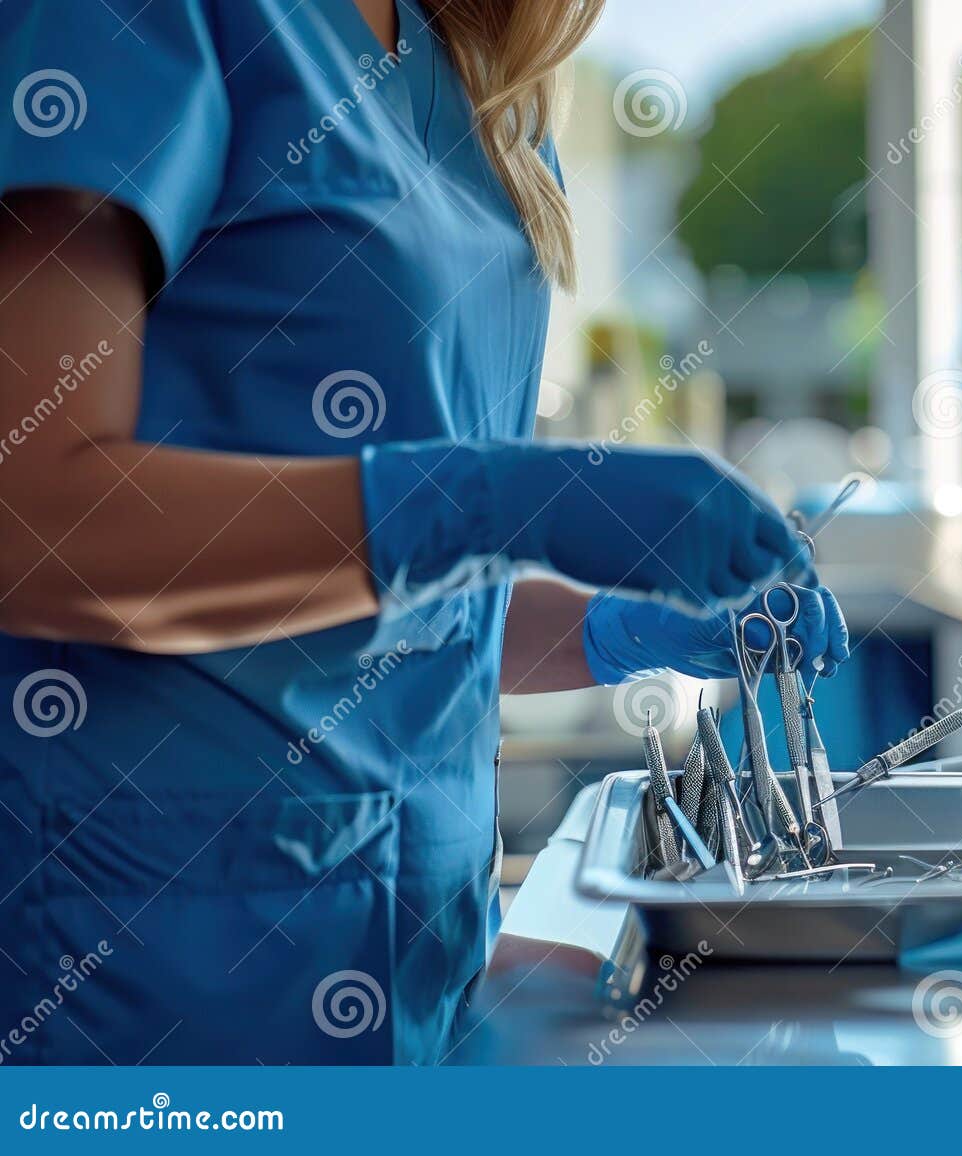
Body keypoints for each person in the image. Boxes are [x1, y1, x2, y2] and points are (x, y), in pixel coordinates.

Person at [0, 0, 847, 1065]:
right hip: (142, 972)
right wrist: (497, 501)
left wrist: (610, 628)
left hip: (419, 962)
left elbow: (385, 597)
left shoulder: (476, 71)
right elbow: (30, 526)